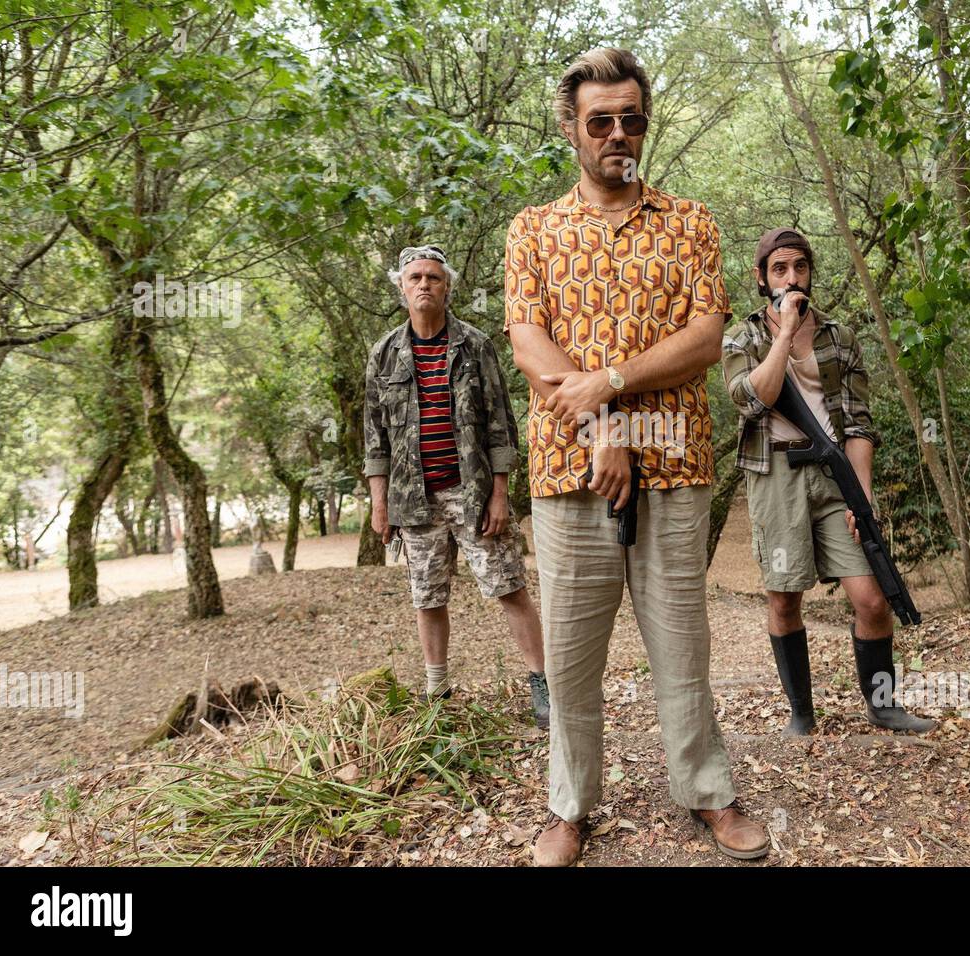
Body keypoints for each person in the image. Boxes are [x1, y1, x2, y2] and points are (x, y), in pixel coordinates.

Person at [504, 48, 769, 866]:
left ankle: (708, 792)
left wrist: (612, 385)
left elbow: (703, 337)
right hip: (567, 468)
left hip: (676, 464)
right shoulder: (533, 231)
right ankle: (569, 806)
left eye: (633, 119)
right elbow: (528, 340)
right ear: (571, 128)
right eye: (601, 120)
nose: (619, 133)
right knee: (575, 653)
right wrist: (599, 425)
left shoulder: (689, 222)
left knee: (681, 643)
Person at [721, 227, 935, 736]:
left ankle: (882, 706)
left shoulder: (841, 337)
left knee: (872, 597)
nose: (792, 278)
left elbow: (859, 422)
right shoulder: (742, 337)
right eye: (779, 269)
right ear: (761, 277)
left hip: (835, 473)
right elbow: (754, 398)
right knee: (783, 596)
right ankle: (802, 713)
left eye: (799, 267)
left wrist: (861, 497)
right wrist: (783, 335)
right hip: (775, 476)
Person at [364, 244, 549, 727]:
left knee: (509, 587)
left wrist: (499, 493)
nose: (424, 284)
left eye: (433, 277)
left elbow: (500, 425)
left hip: (471, 494)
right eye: (414, 278)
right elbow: (374, 438)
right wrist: (379, 504)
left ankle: (543, 684)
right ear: (402, 288)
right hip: (414, 500)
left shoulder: (475, 345)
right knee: (428, 597)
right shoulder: (384, 353)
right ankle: (437, 689)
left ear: (447, 286)